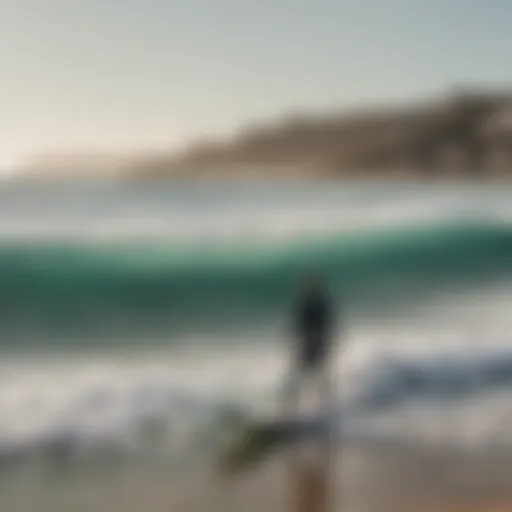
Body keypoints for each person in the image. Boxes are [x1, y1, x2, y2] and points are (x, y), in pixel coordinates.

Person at [283, 273, 336, 416]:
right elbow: (297, 327)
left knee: (314, 376)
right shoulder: (310, 303)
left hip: (314, 343)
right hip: (311, 344)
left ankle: (326, 408)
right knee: (305, 377)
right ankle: (293, 409)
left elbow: (327, 326)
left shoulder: (316, 304)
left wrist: (325, 344)